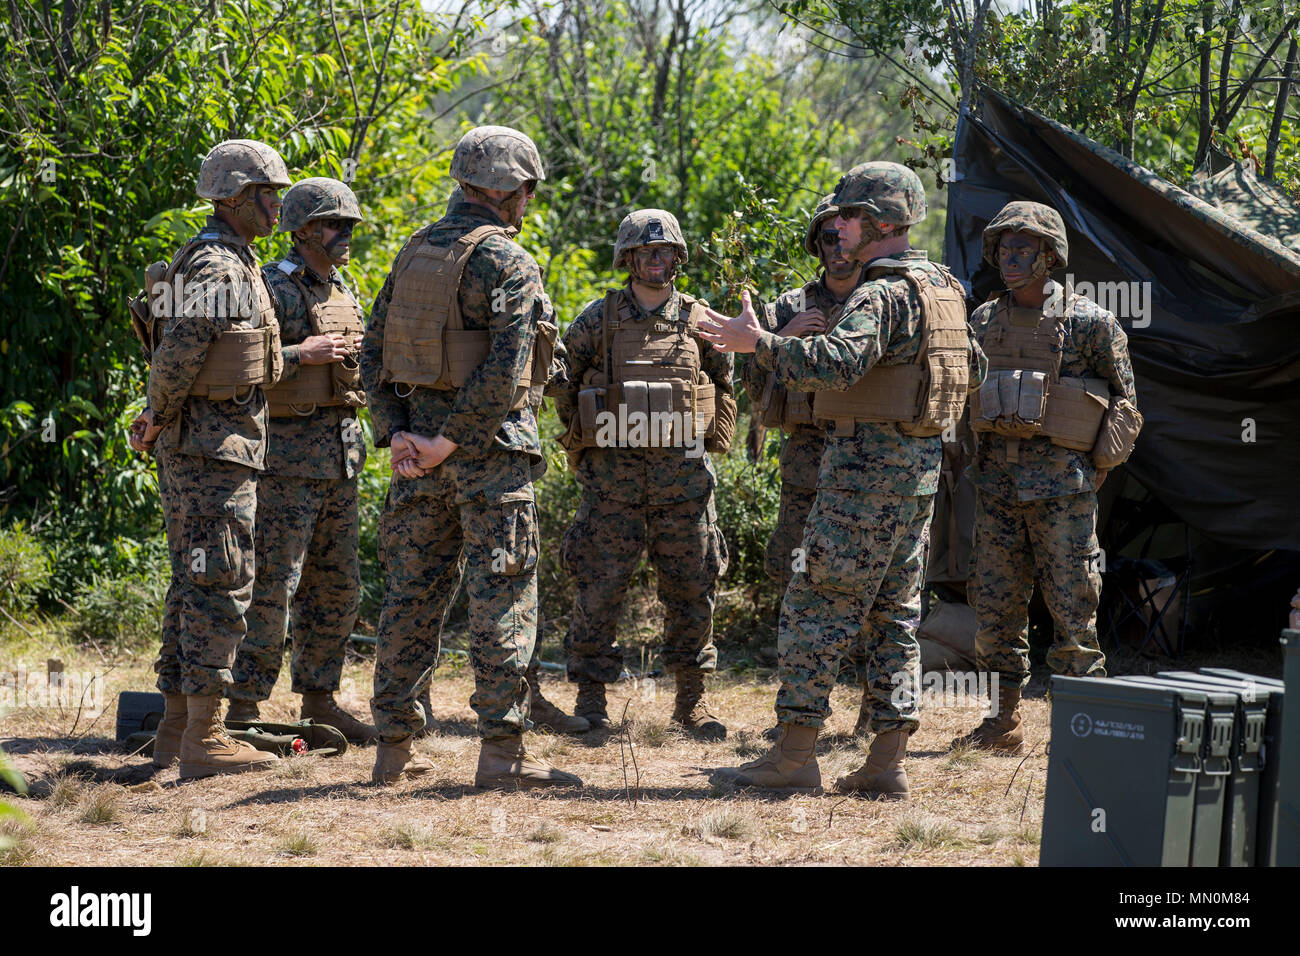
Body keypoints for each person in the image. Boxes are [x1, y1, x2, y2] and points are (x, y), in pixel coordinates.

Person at [697, 162, 984, 798]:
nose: (840, 224)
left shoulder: (881, 293)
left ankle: (794, 758)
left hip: (863, 481)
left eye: (849, 215)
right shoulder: (943, 286)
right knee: (895, 618)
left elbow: (834, 362)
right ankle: (887, 763)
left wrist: (759, 343)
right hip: (917, 480)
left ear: (880, 222)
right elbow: (975, 367)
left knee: (814, 609)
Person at [360, 125, 580, 788]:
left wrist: (399, 435)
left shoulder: (412, 252)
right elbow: (508, 371)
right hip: (490, 456)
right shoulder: (507, 262)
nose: (528, 200)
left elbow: (372, 352)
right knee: (503, 600)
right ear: (510, 189)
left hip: (416, 464)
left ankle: (392, 752)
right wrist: (449, 441)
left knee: (409, 600)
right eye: (527, 188)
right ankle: (501, 758)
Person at [952, 200, 1140, 754]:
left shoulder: (1090, 323)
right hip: (996, 491)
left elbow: (1126, 405)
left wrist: (1097, 467)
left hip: (1064, 494)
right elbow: (962, 397)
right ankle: (1000, 722)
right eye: (1003, 249)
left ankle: (1087, 729)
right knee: (994, 610)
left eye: (1022, 250)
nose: (1009, 259)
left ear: (1049, 256)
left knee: (1074, 607)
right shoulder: (984, 321)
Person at [128, 139, 290, 779]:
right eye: (267, 193)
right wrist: (156, 414)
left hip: (208, 446)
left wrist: (159, 420)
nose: (278, 205)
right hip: (211, 450)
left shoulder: (229, 260)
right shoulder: (221, 269)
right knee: (221, 580)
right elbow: (180, 355)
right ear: (233, 198)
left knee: (195, 579)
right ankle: (205, 737)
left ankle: (175, 733)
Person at [551, 209, 735, 738]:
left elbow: (724, 383)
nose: (658, 259)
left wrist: (710, 436)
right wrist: (585, 435)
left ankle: (691, 702)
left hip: (684, 485)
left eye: (666, 251)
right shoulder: (599, 317)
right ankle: (591, 699)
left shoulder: (701, 319)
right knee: (599, 587)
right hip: (613, 485)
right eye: (646, 251)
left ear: (678, 258)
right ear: (628, 258)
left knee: (693, 586)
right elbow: (565, 380)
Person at [225, 177, 376, 744]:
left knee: (336, 588)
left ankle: (320, 700)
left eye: (349, 226)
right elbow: (236, 365)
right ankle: (240, 707)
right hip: (285, 464)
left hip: (340, 463)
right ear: (304, 229)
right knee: (270, 587)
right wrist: (298, 352)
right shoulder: (270, 288)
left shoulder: (344, 289)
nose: (345, 236)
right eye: (335, 225)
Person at [742, 194, 875, 736]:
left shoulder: (881, 299)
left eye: (845, 236)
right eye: (827, 238)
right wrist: (781, 341)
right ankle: (799, 711)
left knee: (872, 585)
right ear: (816, 245)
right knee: (798, 585)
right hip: (806, 470)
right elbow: (753, 392)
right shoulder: (786, 307)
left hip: (870, 470)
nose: (837, 248)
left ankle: (876, 707)